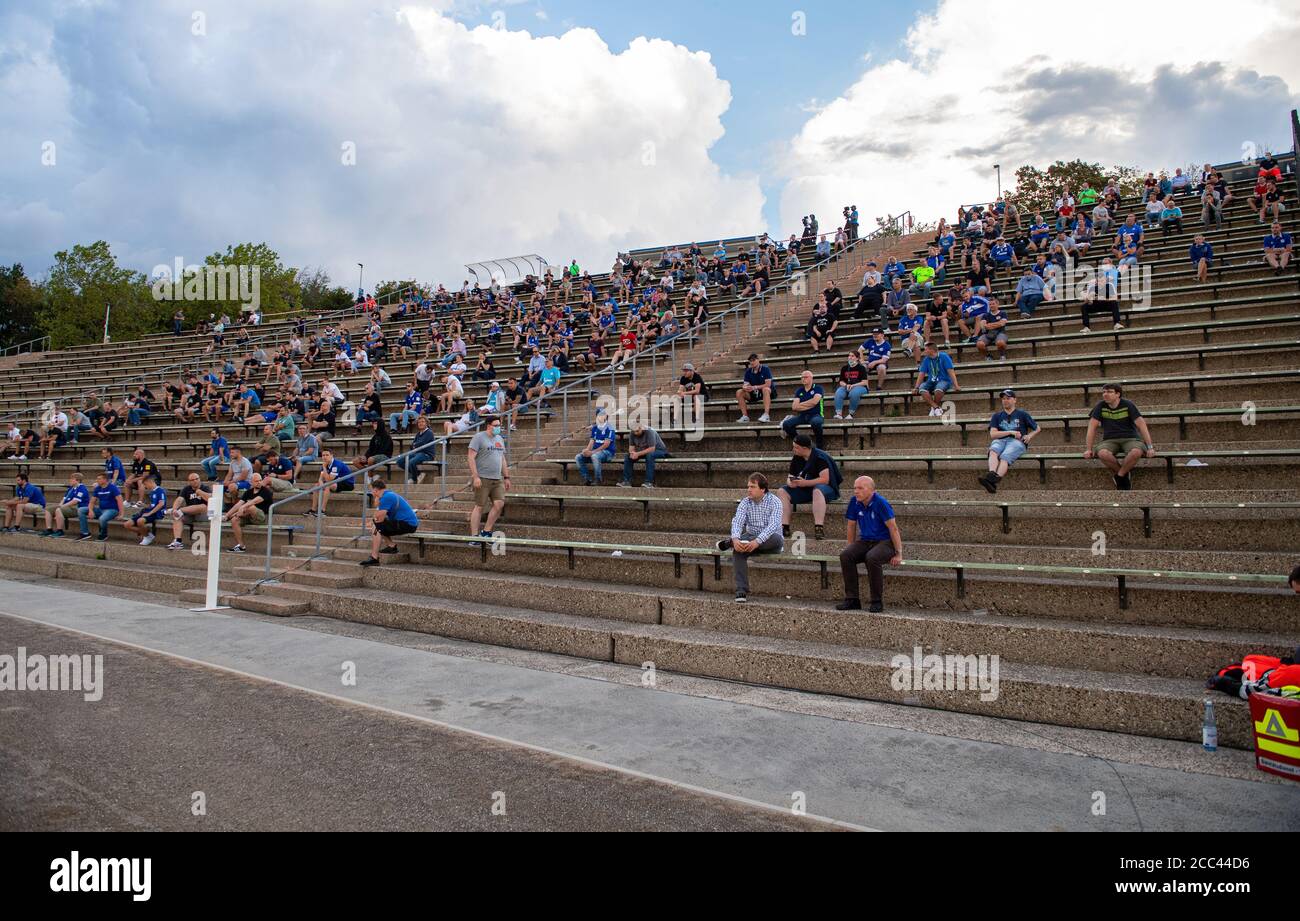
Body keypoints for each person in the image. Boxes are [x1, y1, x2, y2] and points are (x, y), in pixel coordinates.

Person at [836, 476, 902, 613]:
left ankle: (876, 601)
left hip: (885, 542)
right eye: (854, 488)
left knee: (872, 558)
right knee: (846, 556)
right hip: (865, 541)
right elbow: (851, 526)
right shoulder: (854, 502)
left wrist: (899, 553)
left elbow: (893, 528)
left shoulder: (881, 503)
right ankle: (852, 599)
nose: (856, 491)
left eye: (860, 488)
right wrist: (850, 547)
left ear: (871, 490)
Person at [716, 473, 784, 604]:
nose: (749, 490)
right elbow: (737, 521)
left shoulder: (775, 502)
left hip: (771, 540)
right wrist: (736, 539)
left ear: (762, 489)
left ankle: (728, 542)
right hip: (750, 537)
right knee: (738, 550)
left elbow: (773, 525)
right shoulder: (745, 502)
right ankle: (741, 590)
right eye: (748, 486)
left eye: (752, 487)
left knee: (774, 538)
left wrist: (757, 542)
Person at [1084, 383, 1156, 491]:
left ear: (1118, 394)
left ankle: (1120, 476)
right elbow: (1091, 428)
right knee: (1102, 453)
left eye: (1109, 392)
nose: (1105, 394)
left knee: (1136, 452)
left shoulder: (1128, 404)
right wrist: (1088, 449)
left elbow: (1142, 425)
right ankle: (1124, 475)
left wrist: (1150, 447)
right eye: (1103, 392)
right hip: (1110, 440)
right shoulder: (1100, 406)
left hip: (1131, 438)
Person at [778, 434, 842, 541]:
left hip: (826, 489)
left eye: (796, 447)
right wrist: (791, 483)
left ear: (805, 448)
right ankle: (785, 527)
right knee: (781, 491)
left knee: (817, 491)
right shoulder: (796, 457)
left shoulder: (819, 457)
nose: (793, 449)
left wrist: (805, 483)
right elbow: (790, 477)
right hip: (806, 489)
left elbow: (825, 479)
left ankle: (819, 528)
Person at [978, 389, 1039, 493]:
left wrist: (1029, 436)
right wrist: (1010, 432)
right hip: (1000, 440)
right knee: (993, 450)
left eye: (1008, 398)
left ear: (1014, 400)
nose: (1005, 400)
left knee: (1005, 456)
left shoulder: (1022, 414)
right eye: (1003, 399)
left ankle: (992, 481)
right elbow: (993, 434)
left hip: (1017, 442)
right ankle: (992, 475)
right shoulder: (997, 416)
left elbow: (1037, 428)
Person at [360, 478, 421, 567]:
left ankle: (374, 558)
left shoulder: (386, 498)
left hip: (407, 524)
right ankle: (391, 546)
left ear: (375, 490)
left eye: (372, 491)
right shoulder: (388, 494)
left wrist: (376, 515)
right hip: (408, 523)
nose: (372, 493)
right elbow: (379, 516)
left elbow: (378, 519)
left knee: (376, 526)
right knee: (377, 525)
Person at [467, 416, 510, 539]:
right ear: (488, 425)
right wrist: (476, 477)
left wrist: (507, 477)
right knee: (479, 506)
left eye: (499, 425)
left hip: (497, 478)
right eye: (495, 425)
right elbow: (470, 457)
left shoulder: (500, 439)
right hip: (483, 477)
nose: (498, 428)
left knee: (499, 504)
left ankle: (486, 531)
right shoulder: (479, 437)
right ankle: (474, 536)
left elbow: (502, 458)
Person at [223, 473, 273, 553]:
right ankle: (241, 546)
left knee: (251, 507)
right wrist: (227, 515)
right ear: (251, 482)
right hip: (247, 516)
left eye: (260, 480)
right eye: (256, 481)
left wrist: (242, 508)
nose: (259, 482)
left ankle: (235, 515)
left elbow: (255, 500)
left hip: (260, 517)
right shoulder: (248, 492)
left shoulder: (266, 491)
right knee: (234, 520)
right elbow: (238, 505)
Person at [166, 473, 212, 550]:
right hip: (190, 514)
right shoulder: (186, 489)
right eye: (192, 480)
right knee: (177, 516)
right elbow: (179, 500)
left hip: (203, 515)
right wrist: (174, 509)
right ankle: (178, 541)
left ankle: (180, 510)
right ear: (189, 482)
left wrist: (200, 492)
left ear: (199, 479)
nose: (195, 481)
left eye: (197, 479)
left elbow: (210, 499)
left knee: (204, 506)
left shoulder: (205, 488)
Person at [780, 369, 826, 448]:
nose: (803, 379)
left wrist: (800, 405)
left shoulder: (818, 388)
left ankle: (819, 445)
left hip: (816, 414)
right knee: (786, 424)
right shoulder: (799, 390)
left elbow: (815, 402)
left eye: (805, 377)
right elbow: (794, 407)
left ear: (811, 378)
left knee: (816, 423)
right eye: (802, 377)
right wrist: (809, 404)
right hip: (802, 416)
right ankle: (801, 443)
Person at [914, 342, 959, 417]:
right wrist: (916, 387)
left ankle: (933, 408)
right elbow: (921, 374)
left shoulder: (944, 356)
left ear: (931, 350)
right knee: (922, 388)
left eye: (926, 349)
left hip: (944, 380)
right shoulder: (926, 359)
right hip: (931, 381)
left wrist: (956, 385)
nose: (924, 351)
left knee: (938, 389)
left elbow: (951, 371)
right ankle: (936, 407)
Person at [122, 474, 167, 546]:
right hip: (148, 511)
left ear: (150, 482)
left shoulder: (160, 490)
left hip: (156, 513)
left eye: (145, 484)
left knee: (140, 521)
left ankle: (147, 536)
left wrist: (150, 513)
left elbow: (161, 504)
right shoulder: (152, 492)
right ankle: (147, 534)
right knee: (127, 525)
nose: (145, 487)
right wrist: (144, 505)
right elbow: (152, 505)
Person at [306, 450, 353, 518]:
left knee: (327, 486)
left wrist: (324, 467)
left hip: (347, 483)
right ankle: (313, 510)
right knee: (316, 486)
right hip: (334, 482)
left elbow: (329, 479)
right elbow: (320, 479)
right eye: (323, 455)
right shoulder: (325, 464)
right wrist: (321, 485)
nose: (325, 457)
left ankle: (322, 511)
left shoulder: (336, 464)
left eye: (327, 455)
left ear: (331, 455)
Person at [620, 423, 668, 489]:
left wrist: (637, 454)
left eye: (637, 431)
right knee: (628, 457)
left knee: (650, 455)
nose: (635, 433)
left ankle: (649, 482)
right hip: (644, 451)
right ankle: (626, 481)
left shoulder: (649, 432)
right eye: (634, 431)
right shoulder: (632, 433)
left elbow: (652, 449)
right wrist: (632, 453)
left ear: (642, 427)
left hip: (659, 450)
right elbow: (631, 447)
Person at [575, 412, 617, 485]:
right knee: (578, 457)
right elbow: (591, 442)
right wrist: (587, 450)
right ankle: (587, 479)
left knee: (595, 456)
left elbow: (606, 444)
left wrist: (592, 452)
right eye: (598, 415)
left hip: (608, 453)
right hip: (595, 452)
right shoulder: (595, 428)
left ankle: (598, 480)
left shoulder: (610, 428)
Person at [46, 472, 91, 538]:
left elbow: (75, 501)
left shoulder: (82, 488)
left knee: (59, 510)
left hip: (77, 508)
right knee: (48, 509)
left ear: (78, 480)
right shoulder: (71, 488)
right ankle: (49, 529)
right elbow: (63, 499)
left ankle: (60, 531)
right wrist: (60, 504)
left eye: (72, 479)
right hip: (68, 507)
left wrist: (62, 506)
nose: (70, 480)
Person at [735, 353, 775, 424]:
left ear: (758, 360)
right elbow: (745, 384)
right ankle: (745, 416)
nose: (752, 362)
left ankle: (766, 415)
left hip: (767, 393)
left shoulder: (765, 369)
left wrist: (754, 387)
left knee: (765, 389)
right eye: (750, 361)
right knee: (739, 392)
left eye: (754, 360)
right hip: (755, 393)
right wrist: (745, 387)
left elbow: (768, 384)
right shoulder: (748, 371)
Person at [89, 471, 124, 542]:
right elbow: (92, 502)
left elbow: (120, 501)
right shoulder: (98, 488)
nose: (97, 480)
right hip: (101, 510)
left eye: (99, 479)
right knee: (82, 510)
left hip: (112, 510)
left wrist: (121, 514)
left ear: (105, 480)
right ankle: (85, 533)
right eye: (97, 479)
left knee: (102, 518)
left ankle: (103, 534)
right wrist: (90, 510)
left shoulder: (113, 488)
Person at [833, 352, 869, 420]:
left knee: (854, 393)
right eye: (849, 356)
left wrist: (853, 385)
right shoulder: (844, 368)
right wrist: (846, 385)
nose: (850, 357)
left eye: (852, 356)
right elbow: (841, 381)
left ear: (857, 358)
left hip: (860, 387)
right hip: (847, 386)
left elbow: (864, 382)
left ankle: (851, 414)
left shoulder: (861, 368)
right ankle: (839, 414)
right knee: (838, 392)